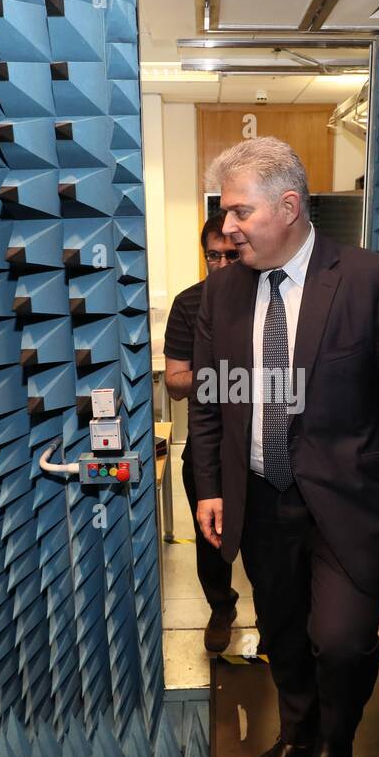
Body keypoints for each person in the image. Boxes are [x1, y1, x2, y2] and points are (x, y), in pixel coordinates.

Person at [189, 136, 379, 757]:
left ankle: (338, 743)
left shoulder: (368, 280)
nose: (227, 226)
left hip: (350, 504)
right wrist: (211, 485)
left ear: (290, 205)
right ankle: (297, 733)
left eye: (239, 210)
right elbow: (212, 402)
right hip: (261, 502)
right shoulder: (220, 294)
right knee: (281, 634)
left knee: (345, 643)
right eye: (225, 211)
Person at [163, 210, 243, 652]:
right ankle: (221, 606)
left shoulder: (270, 299)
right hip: (206, 447)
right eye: (214, 256)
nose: (222, 264)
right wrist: (227, 375)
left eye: (231, 255)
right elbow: (175, 384)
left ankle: (276, 617)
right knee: (211, 542)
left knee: (267, 543)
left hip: (264, 445)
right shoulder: (188, 303)